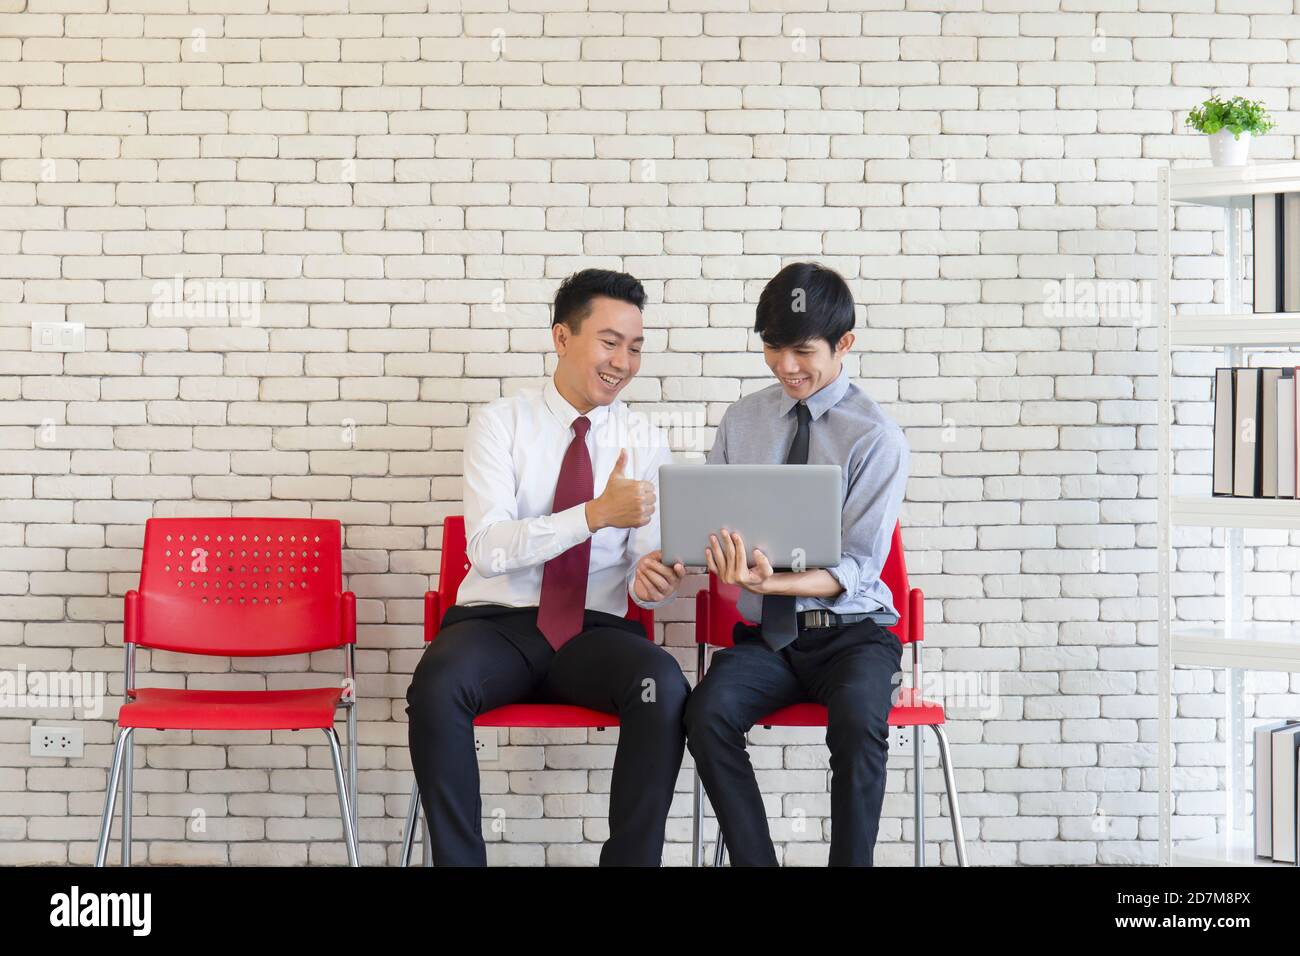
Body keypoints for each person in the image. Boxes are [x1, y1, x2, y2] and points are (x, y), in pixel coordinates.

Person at [407, 268, 689, 865]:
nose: (624, 362)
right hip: (496, 627)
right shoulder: (499, 424)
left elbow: (648, 560)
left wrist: (654, 580)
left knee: (661, 686)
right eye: (610, 342)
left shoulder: (644, 437)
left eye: (636, 347)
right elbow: (487, 547)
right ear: (562, 338)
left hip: (595, 632)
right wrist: (592, 514)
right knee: (437, 686)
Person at [686, 261, 910, 866]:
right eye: (773, 348)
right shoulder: (743, 421)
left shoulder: (876, 437)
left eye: (803, 351)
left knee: (860, 723)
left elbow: (860, 565)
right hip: (769, 639)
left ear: (845, 345)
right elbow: (710, 521)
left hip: (853, 638)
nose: (787, 366)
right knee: (705, 714)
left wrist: (774, 579)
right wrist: (698, 555)